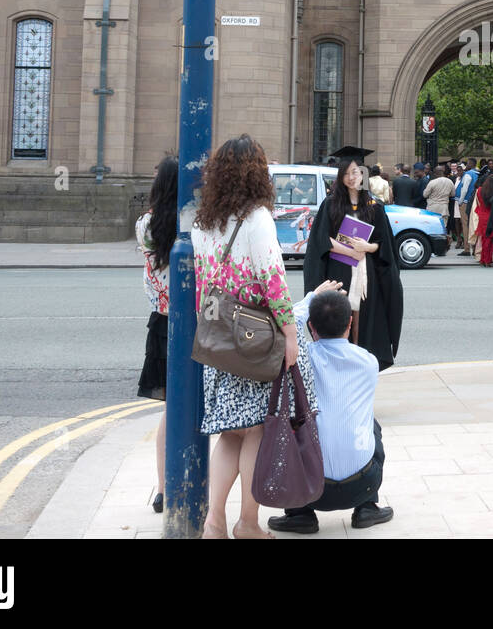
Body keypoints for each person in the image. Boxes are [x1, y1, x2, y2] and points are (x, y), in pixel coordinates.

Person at [191, 134, 313, 540]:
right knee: (256, 430)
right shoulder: (257, 219)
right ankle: (247, 523)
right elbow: (273, 283)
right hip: (255, 338)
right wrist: (291, 335)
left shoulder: (202, 222)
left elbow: (202, 284)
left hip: (218, 337)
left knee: (229, 433)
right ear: (257, 174)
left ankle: (214, 523)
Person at [268, 288, 394, 533]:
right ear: (350, 323)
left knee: (291, 427)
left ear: (311, 326)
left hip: (309, 491)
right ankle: (367, 507)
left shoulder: (300, 358)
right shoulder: (368, 361)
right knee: (371, 423)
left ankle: (299, 513)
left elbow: (282, 329)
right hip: (363, 483)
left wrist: (310, 297)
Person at [304, 157, 404, 372]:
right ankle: (339, 372)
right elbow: (321, 240)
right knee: (341, 320)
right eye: (347, 173)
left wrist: (367, 248)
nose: (352, 177)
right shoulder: (331, 204)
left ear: (363, 175)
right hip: (338, 271)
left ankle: (360, 371)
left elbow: (383, 244)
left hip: (367, 276)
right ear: (341, 176)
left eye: (356, 172)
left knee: (364, 321)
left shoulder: (374, 206)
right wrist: (350, 250)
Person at [135, 155, 177, 514]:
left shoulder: (145, 225)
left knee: (171, 410)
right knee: (190, 410)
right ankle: (187, 483)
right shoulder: (194, 224)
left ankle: (164, 487)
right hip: (194, 323)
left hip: (161, 323)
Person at [455, 158, 479, 256]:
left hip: (465, 202)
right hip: (473, 201)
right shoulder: (477, 173)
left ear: (471, 164)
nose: (466, 165)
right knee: (472, 224)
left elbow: (464, 189)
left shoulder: (468, 174)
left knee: (465, 225)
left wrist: (460, 201)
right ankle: (474, 247)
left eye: (468, 163)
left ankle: (467, 248)